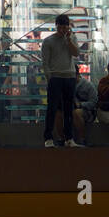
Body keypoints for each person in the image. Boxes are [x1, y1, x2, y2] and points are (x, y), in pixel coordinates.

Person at [41, 13, 80, 147]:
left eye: (65, 28)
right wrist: (49, 78)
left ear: (68, 27)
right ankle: (48, 138)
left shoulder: (72, 38)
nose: (63, 30)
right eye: (61, 28)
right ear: (56, 26)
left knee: (68, 109)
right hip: (55, 77)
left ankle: (69, 138)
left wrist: (69, 41)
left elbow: (76, 53)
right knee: (52, 109)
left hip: (69, 76)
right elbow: (45, 62)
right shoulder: (48, 41)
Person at [72, 75, 98, 146]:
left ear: (77, 75)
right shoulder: (69, 85)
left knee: (76, 113)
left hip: (89, 111)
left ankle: (82, 139)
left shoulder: (88, 85)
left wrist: (80, 105)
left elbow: (94, 102)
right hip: (73, 110)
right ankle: (62, 139)